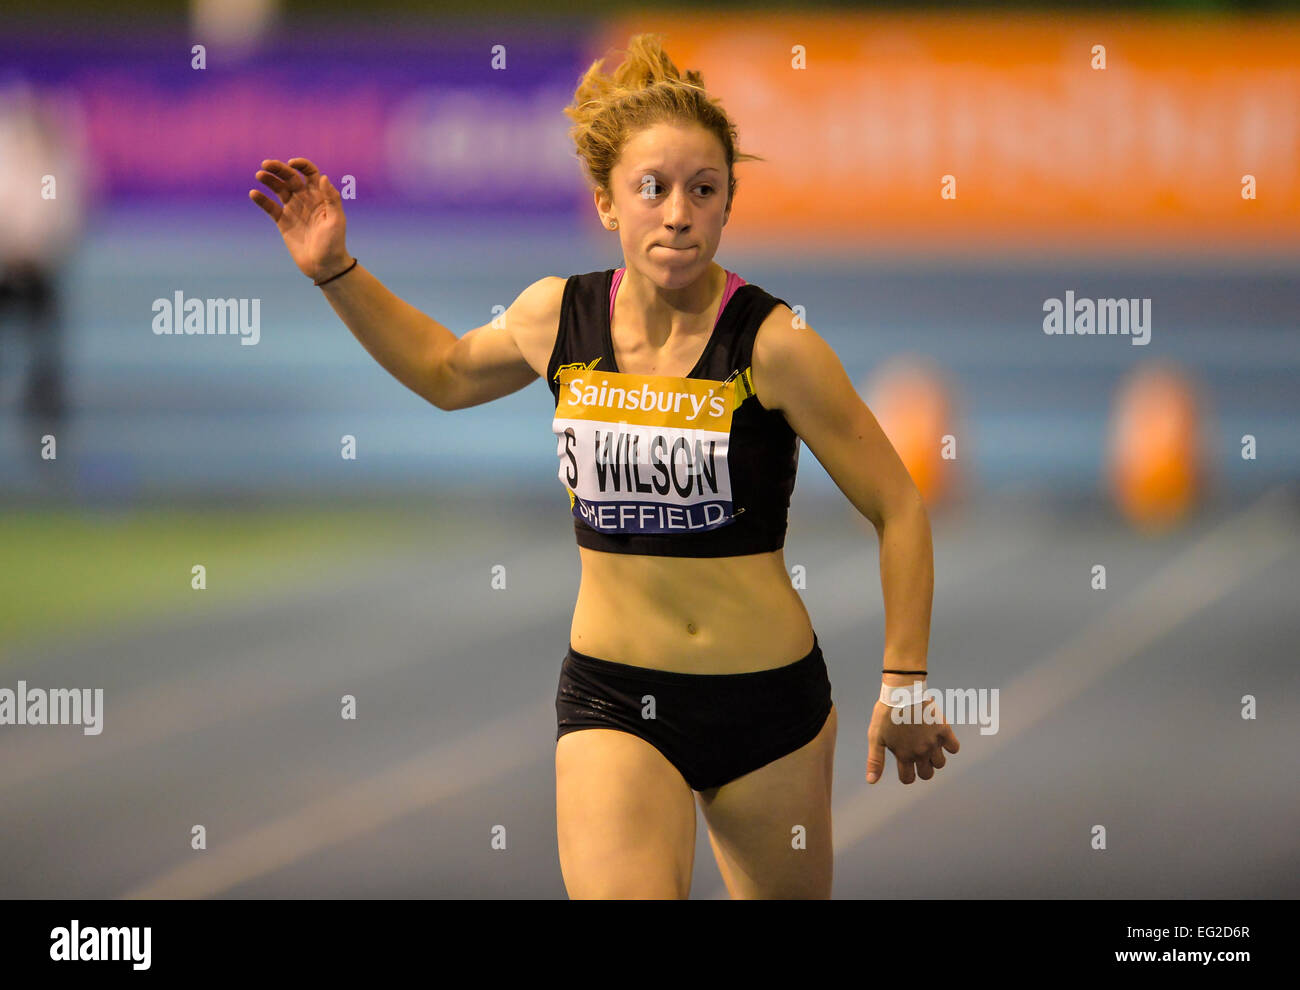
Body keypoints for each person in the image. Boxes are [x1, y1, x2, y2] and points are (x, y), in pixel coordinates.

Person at [249, 33, 958, 900]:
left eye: (704, 190)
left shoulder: (775, 346)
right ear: (606, 204)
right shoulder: (558, 315)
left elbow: (900, 508)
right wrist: (335, 271)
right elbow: (441, 372)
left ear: (729, 205)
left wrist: (907, 681)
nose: (678, 213)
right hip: (614, 701)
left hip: (767, 710)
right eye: (652, 189)